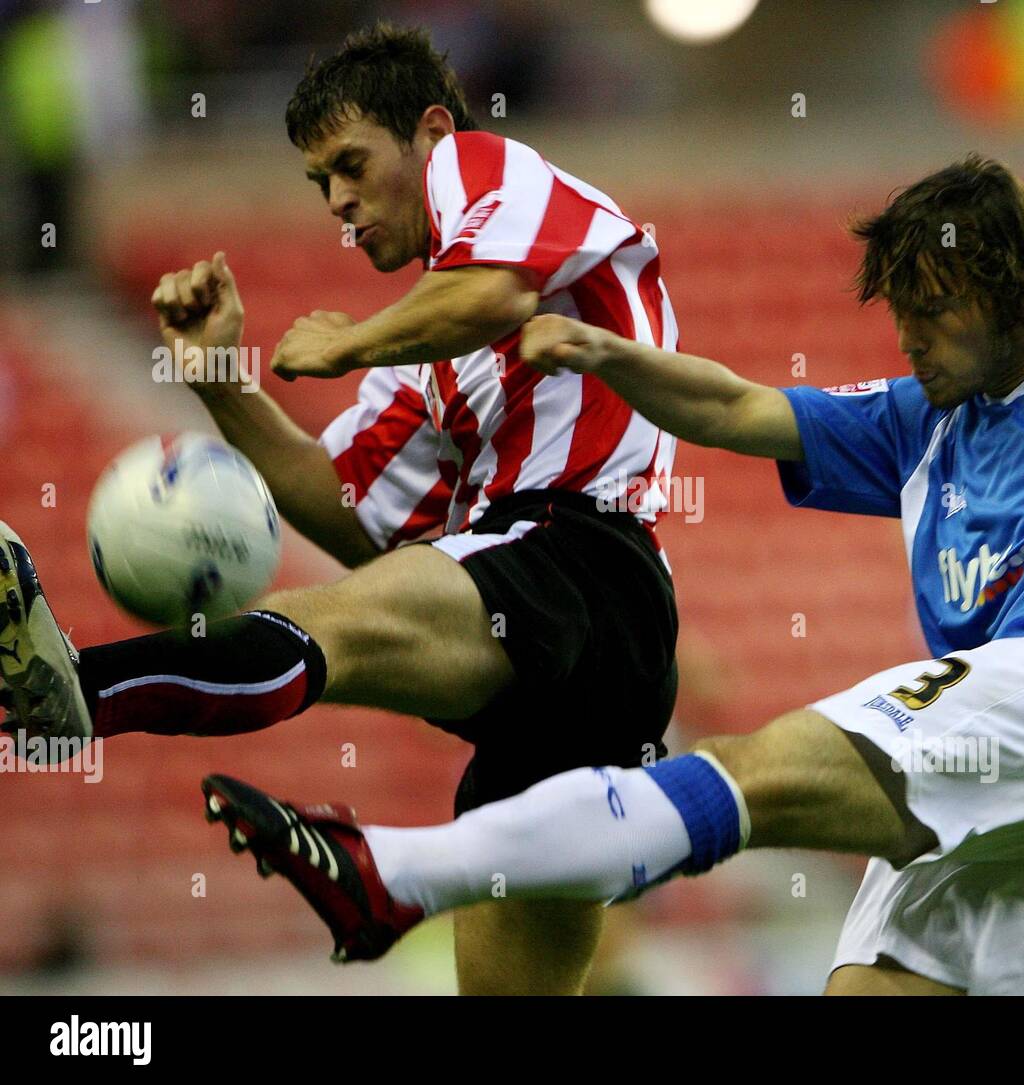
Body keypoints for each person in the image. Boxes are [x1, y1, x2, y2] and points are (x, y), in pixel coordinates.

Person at [196, 155, 1024, 995]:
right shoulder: (921, 422)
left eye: (928, 305)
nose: (906, 336)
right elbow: (736, 407)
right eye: (897, 312)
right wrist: (609, 355)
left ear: (1002, 280)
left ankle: (396, 873)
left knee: (755, 772)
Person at [0, 23, 681, 995]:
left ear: (433, 133)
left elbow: (492, 292)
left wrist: (350, 342)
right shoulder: (431, 357)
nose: (339, 204)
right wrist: (220, 382)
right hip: (557, 682)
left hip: (584, 568)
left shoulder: (496, 175)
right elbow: (353, 519)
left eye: (352, 166)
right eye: (321, 183)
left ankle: (81, 693)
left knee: (327, 628)